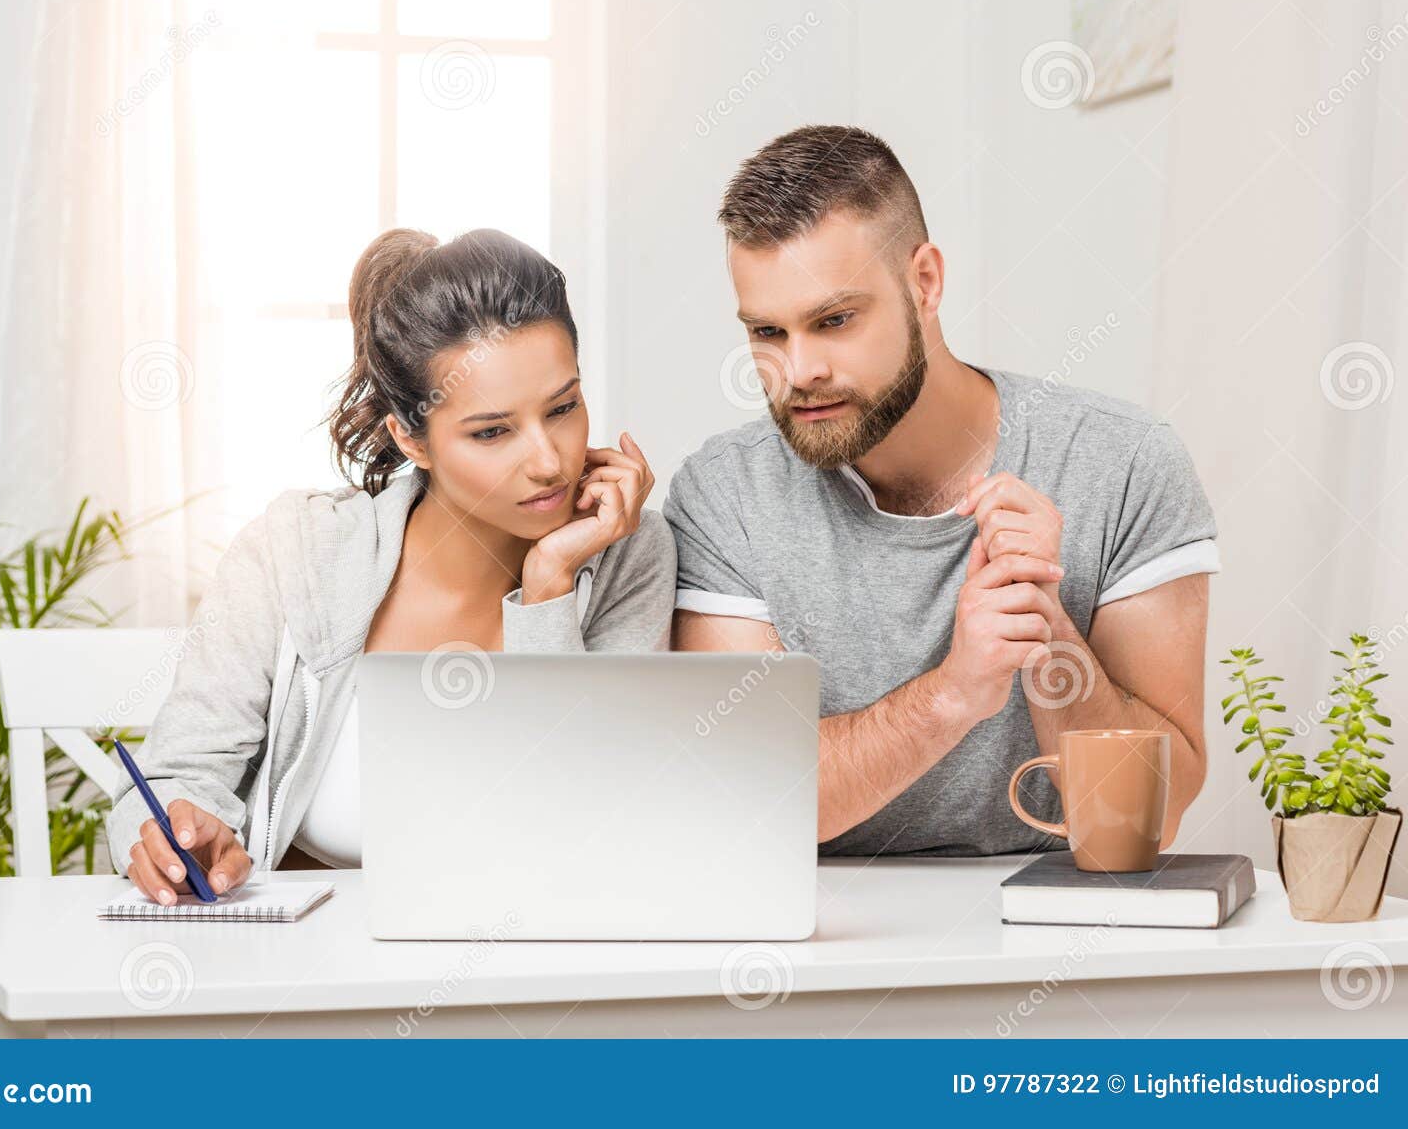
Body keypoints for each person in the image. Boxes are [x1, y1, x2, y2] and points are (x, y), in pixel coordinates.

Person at [667, 125, 1218, 858]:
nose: (797, 370)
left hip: (1059, 931)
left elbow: (1160, 810)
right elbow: (749, 799)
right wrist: (954, 694)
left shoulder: (1122, 463)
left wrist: (1043, 626)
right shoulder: (724, 496)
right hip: (818, 942)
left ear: (924, 282)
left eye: (834, 321)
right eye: (768, 331)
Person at [107, 227, 675, 904]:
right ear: (411, 438)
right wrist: (177, 831)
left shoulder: (629, 549)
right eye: (492, 431)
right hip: (315, 973)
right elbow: (175, 775)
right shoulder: (296, 551)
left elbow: (590, 814)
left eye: (563, 407)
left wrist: (548, 585)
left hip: (535, 961)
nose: (550, 460)